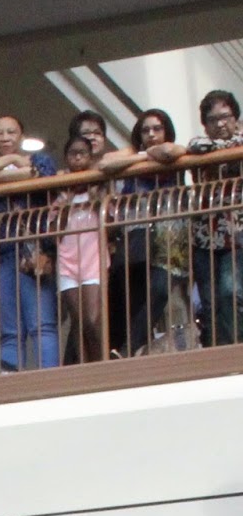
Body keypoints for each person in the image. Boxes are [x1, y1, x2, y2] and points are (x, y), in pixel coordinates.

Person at [0, 114, 59, 371]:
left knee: (42, 324)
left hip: (33, 250)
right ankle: (11, 379)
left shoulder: (39, 159)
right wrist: (10, 161)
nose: (5, 137)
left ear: (22, 136)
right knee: (8, 332)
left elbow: (42, 175)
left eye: (11, 132)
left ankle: (50, 379)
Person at [100, 108, 190, 356]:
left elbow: (171, 151)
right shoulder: (139, 157)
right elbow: (106, 163)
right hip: (138, 239)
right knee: (137, 298)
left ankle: (128, 351)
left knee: (160, 289)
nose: (151, 134)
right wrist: (142, 156)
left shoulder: (173, 153)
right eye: (145, 130)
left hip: (170, 237)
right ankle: (136, 350)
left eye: (157, 129)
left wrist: (142, 155)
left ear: (167, 131)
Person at [186, 89, 242, 348]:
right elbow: (194, 146)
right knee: (210, 301)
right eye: (212, 119)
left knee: (232, 292)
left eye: (226, 117)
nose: (220, 124)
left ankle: (235, 349)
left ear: (236, 118)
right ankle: (217, 351)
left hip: (237, 231)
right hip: (204, 235)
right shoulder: (199, 145)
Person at [54, 134, 106, 362]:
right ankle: (86, 366)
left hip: (93, 258)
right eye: (72, 154)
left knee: (92, 319)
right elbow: (54, 231)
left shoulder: (99, 189)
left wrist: (96, 199)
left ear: (90, 156)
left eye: (82, 153)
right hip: (68, 260)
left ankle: (100, 362)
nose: (77, 158)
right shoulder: (59, 193)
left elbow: (111, 223)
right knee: (78, 320)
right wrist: (64, 204)